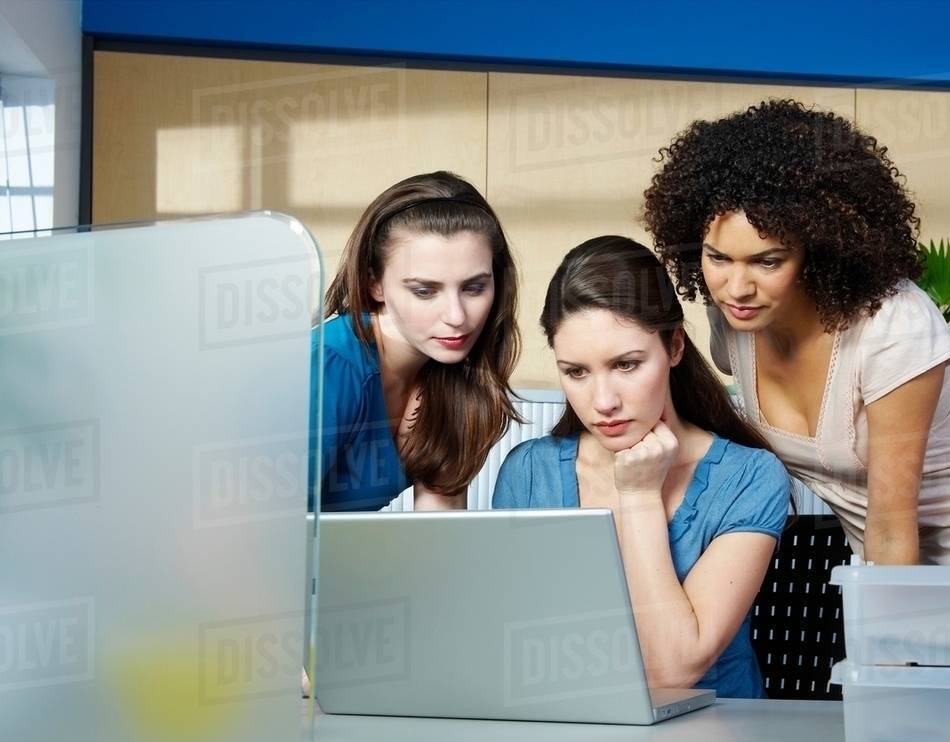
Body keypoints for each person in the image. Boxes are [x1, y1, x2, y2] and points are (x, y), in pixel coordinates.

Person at [641, 99, 950, 566]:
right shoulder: (738, 319)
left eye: (768, 261)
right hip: (911, 565)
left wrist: (885, 631)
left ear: (817, 251)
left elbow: (890, 523)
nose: (737, 287)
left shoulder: (892, 325)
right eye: (718, 258)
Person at [492, 236, 791, 697]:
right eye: (576, 372)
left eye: (627, 365)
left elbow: (671, 671)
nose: (604, 402)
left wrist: (639, 496)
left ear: (674, 347)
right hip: (564, 740)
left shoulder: (750, 477)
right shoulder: (529, 473)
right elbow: (508, 649)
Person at [310, 171, 520, 511]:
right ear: (373, 283)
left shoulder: (455, 374)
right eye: (425, 291)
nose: (456, 316)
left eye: (474, 287)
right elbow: (257, 539)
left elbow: (439, 533)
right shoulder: (328, 367)